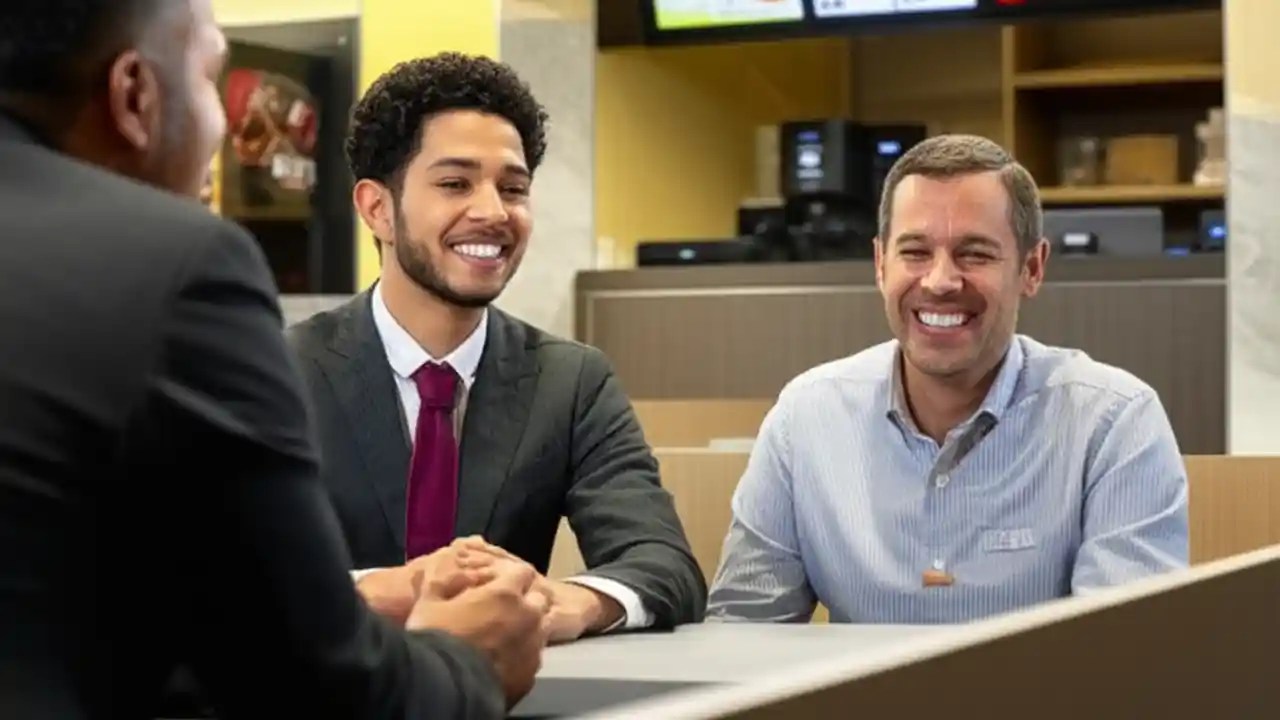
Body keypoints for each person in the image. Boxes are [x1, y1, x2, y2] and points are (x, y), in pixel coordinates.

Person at [0, 2, 549, 718]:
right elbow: (316, 688)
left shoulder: (568, 373)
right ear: (135, 94)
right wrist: (472, 656)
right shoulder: (180, 268)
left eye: (512, 186)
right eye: (209, 76)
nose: (224, 130)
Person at [286, 52, 706, 642]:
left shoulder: (572, 381)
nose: (492, 212)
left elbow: (665, 567)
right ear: (377, 209)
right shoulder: (281, 372)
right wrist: (393, 588)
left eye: (513, 188)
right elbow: (209, 571)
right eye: (455, 183)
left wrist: (567, 603)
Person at [706, 134, 1189, 625]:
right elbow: (744, 633)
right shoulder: (804, 419)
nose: (940, 281)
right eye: (915, 252)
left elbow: (1126, 657)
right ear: (879, 264)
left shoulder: (1113, 423)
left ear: (1032, 268)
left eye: (974, 254)